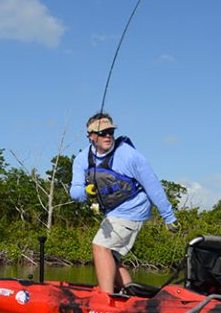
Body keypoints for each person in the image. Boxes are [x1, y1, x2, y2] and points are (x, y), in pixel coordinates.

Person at [70, 112, 179, 294]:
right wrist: (86, 191)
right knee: (111, 255)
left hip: (134, 208)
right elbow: (75, 193)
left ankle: (106, 300)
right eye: (103, 133)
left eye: (110, 132)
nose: (108, 136)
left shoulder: (129, 156)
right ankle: (131, 295)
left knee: (101, 247)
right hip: (112, 213)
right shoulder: (82, 159)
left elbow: (152, 185)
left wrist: (168, 216)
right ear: (91, 136)